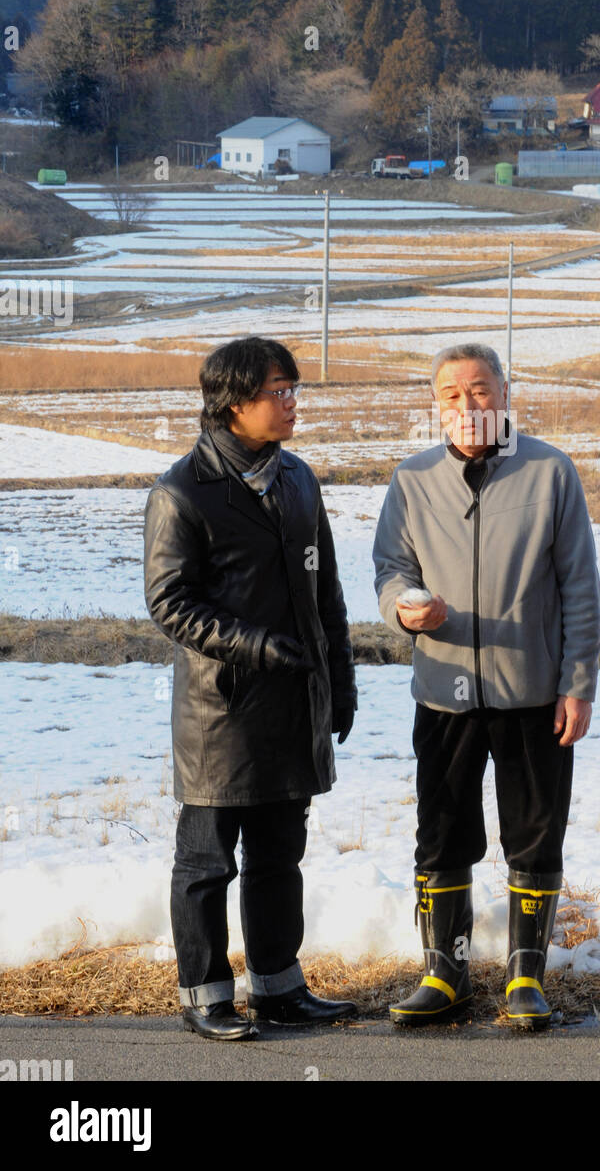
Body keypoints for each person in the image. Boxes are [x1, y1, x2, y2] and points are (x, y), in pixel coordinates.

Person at [373, 342, 600, 1030]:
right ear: (434, 405)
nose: (465, 404)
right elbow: (390, 570)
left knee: (534, 833)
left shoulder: (550, 472)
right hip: (444, 690)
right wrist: (405, 607)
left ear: (505, 393)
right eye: (450, 393)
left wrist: (578, 683)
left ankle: (524, 978)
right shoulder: (411, 481)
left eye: (478, 389)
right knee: (442, 832)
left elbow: (581, 589)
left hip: (533, 691)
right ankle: (445, 973)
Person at [143, 336, 358, 1041]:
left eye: (294, 389)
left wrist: (341, 680)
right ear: (234, 403)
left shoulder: (296, 477)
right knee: (206, 860)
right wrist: (256, 644)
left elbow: (324, 588)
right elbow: (170, 603)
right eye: (279, 391)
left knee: (278, 855)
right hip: (221, 710)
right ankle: (204, 994)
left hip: (294, 700)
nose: (292, 402)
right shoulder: (182, 491)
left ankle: (278, 986)